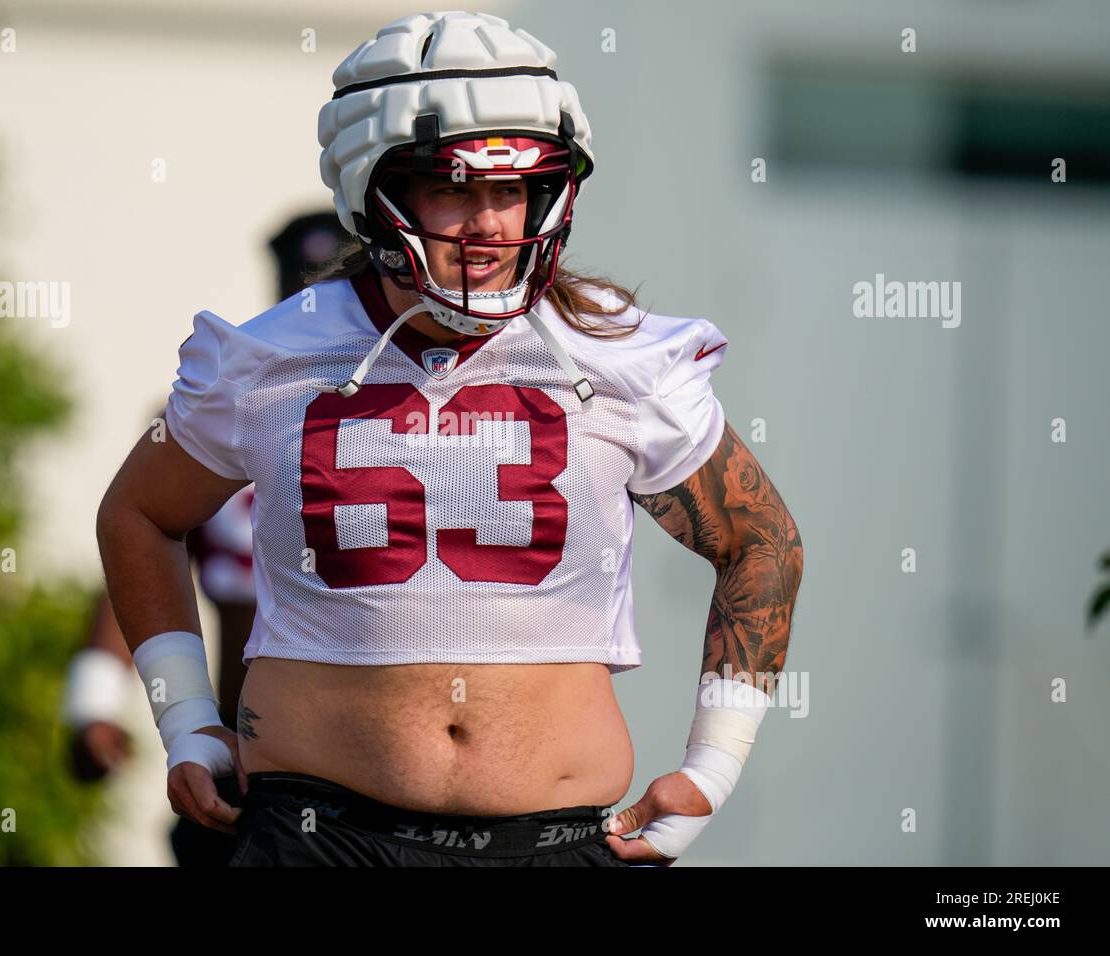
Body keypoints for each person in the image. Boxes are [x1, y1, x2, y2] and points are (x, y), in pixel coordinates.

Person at [96, 11, 803, 867]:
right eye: (455, 189)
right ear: (374, 188)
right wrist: (187, 723)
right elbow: (138, 513)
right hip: (320, 837)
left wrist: (715, 762)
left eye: (512, 191)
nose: (493, 224)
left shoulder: (620, 360)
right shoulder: (268, 360)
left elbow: (760, 540)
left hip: (553, 841)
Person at [64, 214, 347, 865]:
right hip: (243, 764)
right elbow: (142, 544)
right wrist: (96, 700)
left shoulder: (425, 411)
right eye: (299, 288)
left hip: (375, 779)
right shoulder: (222, 412)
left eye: (333, 287)